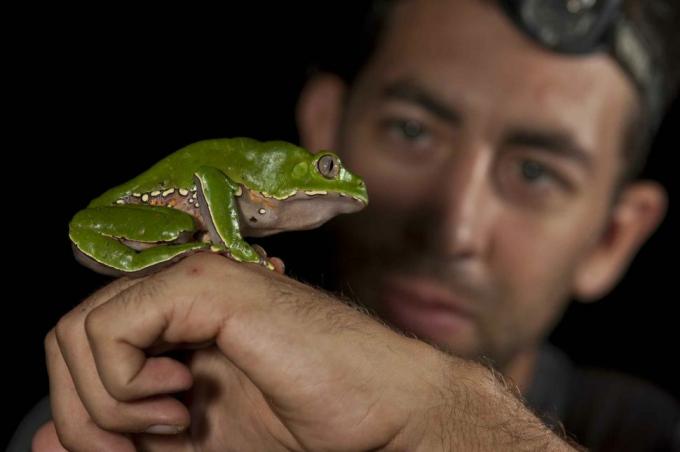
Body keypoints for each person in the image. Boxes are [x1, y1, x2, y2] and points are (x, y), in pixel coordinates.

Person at [10, 0, 679, 450]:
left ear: (614, 236)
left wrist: (444, 420)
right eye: (412, 131)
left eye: (537, 173)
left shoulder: (653, 430)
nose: (453, 229)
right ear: (325, 123)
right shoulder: (139, 401)